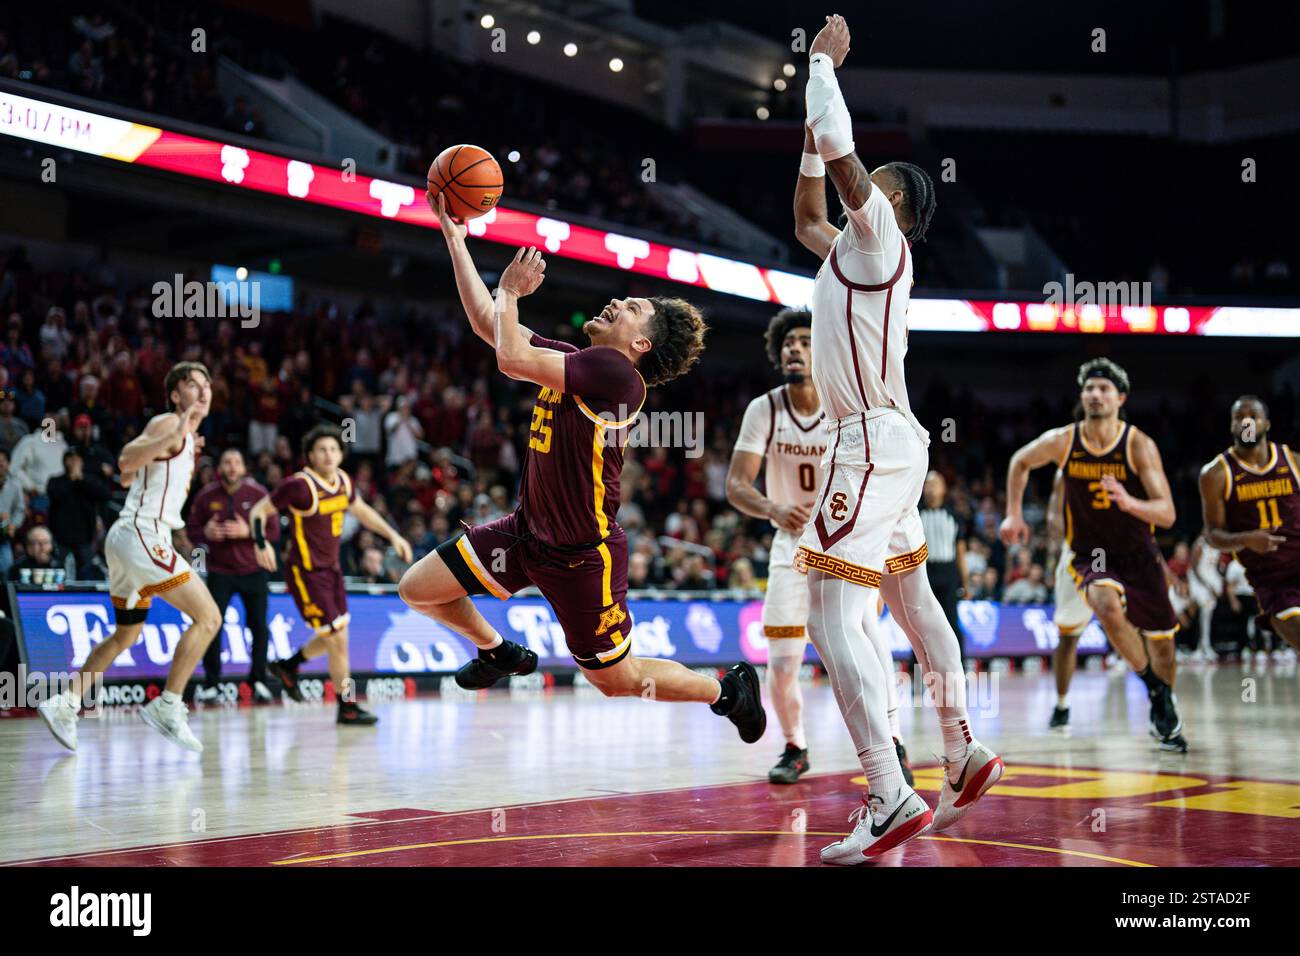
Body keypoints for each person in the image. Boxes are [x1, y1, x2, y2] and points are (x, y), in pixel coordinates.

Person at [397, 192, 765, 743]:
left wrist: (511, 292)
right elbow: (487, 326)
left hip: (580, 556)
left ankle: (728, 690)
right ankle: (499, 653)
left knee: (618, 681)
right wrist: (455, 236)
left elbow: (509, 357)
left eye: (633, 308)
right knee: (418, 589)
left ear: (639, 342)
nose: (619, 301)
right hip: (527, 532)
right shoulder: (577, 363)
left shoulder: (619, 376)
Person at [793, 14, 1001, 863]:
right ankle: (961, 745)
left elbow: (842, 166)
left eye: (874, 186)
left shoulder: (879, 233)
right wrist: (813, 123)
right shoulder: (850, 247)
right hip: (892, 443)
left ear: (897, 204)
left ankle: (887, 789)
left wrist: (822, 67)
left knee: (828, 610)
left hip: (869, 441)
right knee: (915, 606)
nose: (858, 193)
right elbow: (810, 201)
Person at [725, 308, 913, 786]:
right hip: (791, 544)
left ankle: (892, 740)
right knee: (784, 661)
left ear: (825, 348)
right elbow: (736, 485)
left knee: (866, 646)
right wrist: (770, 508)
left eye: (806, 342)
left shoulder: (846, 404)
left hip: (846, 544)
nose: (795, 349)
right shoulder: (764, 409)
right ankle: (794, 747)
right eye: (789, 343)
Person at [36, 362, 224, 752]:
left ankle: (65, 702)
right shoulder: (168, 423)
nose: (203, 391)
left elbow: (126, 479)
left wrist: (177, 441)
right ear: (176, 395)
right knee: (209, 617)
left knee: (126, 633)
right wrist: (171, 433)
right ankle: (168, 705)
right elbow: (125, 460)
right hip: (142, 535)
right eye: (193, 384)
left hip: (130, 537)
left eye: (207, 384)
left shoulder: (185, 435)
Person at [1001, 358, 1186, 752]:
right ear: (1081, 396)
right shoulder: (1065, 440)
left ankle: (1164, 710)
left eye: (1104, 389)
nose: (1095, 394)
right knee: (1102, 604)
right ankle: (1150, 688)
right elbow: (1020, 461)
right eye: (1089, 388)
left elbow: (1167, 514)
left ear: (1120, 398)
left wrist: (1128, 501)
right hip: (1090, 553)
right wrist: (1014, 513)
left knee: (1163, 645)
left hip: (1139, 553)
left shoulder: (1138, 445)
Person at [251, 424, 413, 725]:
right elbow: (258, 511)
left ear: (341, 454)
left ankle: (289, 665)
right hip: (306, 574)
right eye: (321, 449)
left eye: (333, 449)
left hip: (333, 571)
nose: (328, 455)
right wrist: (261, 544)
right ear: (310, 455)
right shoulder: (299, 486)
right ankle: (347, 705)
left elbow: (362, 511)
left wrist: (393, 536)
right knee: (338, 639)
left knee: (336, 635)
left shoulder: (343, 481)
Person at [1197, 396, 1300, 653]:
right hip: (1272, 578)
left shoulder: (1294, 462)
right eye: (1239, 417)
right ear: (1232, 426)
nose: (1246, 422)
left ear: (1266, 424)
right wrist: (1245, 539)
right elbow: (1212, 533)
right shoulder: (1216, 474)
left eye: (1253, 417)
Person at [188, 448, 279, 703]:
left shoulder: (259, 494)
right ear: (220, 468)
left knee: (259, 627)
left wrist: (247, 531)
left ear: (243, 468)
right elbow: (192, 530)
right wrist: (205, 533)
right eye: (227, 462)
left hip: (253, 570)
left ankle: (258, 680)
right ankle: (212, 683)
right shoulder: (206, 496)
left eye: (237, 462)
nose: (232, 467)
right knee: (212, 626)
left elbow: (273, 531)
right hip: (219, 571)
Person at [1045, 469, 1093, 731]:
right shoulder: (1068, 467)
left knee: (1147, 628)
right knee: (1068, 637)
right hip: (1080, 553)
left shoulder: (1133, 452)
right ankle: (1062, 704)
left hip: (1123, 550)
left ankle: (1160, 699)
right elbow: (1054, 518)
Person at [918, 472, 969, 657]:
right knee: (920, 627)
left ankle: (959, 672)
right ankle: (917, 678)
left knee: (952, 623)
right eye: (928, 484)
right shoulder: (915, 514)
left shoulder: (954, 516)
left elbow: (961, 552)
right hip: (924, 573)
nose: (930, 488)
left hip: (949, 573)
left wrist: (966, 583)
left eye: (935, 484)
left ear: (943, 489)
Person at [46, 449, 109, 579]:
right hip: (61, 538)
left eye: (77, 459)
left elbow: (104, 495)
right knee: (60, 573)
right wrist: (71, 479)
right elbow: (55, 495)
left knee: (87, 573)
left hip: (84, 537)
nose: (74, 463)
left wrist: (81, 478)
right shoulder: (56, 480)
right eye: (70, 459)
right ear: (64, 462)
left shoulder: (90, 481)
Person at [0, 448, 25, 577]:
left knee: (7, 571)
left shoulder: (15, 485)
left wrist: (14, 525)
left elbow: (20, 510)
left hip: (3, 538)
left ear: (8, 464)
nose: (0, 464)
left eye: (3, 461)